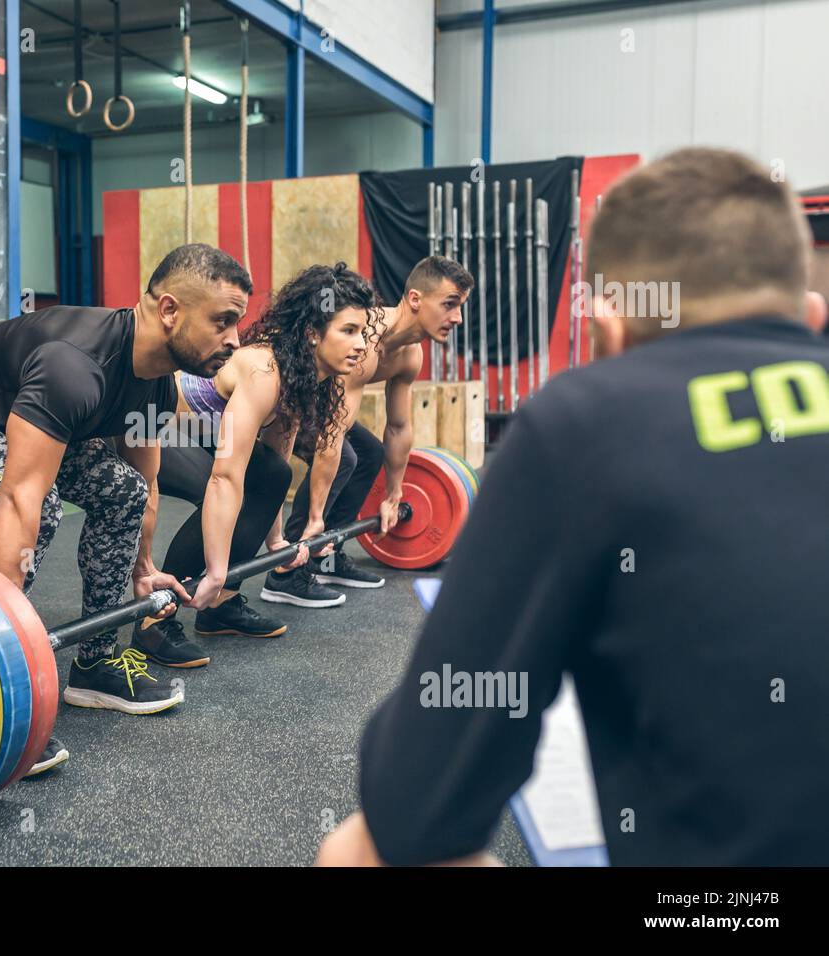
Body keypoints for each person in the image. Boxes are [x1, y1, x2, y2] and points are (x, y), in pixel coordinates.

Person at [318, 147, 829, 866]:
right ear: (811, 316)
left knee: (361, 850)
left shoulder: (590, 423)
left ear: (608, 332)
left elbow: (416, 804)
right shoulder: (373, 338)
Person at [0, 243, 249, 772]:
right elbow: (19, 498)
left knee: (121, 491)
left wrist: (143, 570)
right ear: (169, 311)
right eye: (223, 321)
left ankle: (94, 664)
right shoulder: (75, 365)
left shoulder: (157, 388)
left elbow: (142, 483)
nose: (234, 340)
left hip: (6, 423)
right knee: (41, 505)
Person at [129, 262, 384, 668]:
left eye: (363, 332)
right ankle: (154, 620)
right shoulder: (266, 371)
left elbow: (274, 466)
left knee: (273, 473)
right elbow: (225, 477)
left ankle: (220, 607)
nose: (361, 345)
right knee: (214, 492)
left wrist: (276, 543)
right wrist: (215, 568)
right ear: (313, 333)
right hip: (153, 427)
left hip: (200, 434)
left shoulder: (304, 378)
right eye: (348, 331)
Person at [263, 256, 473, 605]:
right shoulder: (366, 337)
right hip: (281, 389)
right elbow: (332, 434)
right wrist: (316, 517)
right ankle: (286, 570)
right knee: (345, 455)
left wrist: (394, 494)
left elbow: (399, 426)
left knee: (370, 453)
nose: (457, 318)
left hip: (317, 396)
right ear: (416, 299)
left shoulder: (410, 355)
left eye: (460, 307)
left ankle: (326, 555)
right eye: (449, 305)